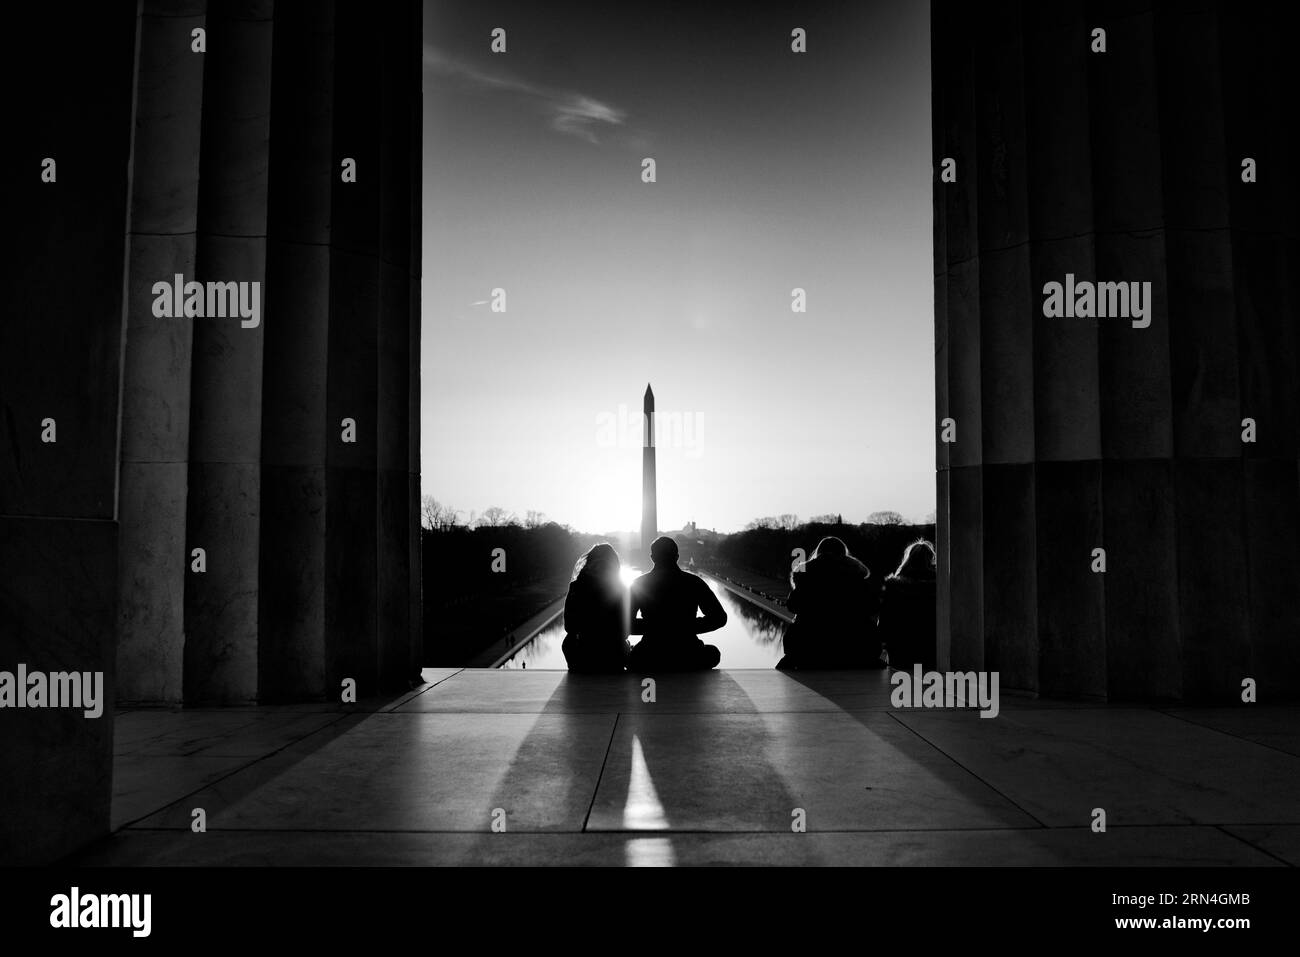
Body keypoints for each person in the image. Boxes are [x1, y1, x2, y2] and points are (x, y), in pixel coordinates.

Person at [776, 536, 883, 670]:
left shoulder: (806, 576)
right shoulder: (856, 577)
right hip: (856, 647)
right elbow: (873, 606)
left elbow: (792, 605)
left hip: (808, 646)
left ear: (819, 552)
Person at [627, 536, 724, 671]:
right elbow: (719, 618)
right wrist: (685, 626)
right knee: (713, 653)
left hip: (650, 652)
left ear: (652, 557)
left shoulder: (639, 584)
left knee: (631, 657)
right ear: (677, 556)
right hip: (688, 650)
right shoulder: (694, 582)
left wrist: (655, 627)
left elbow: (624, 623)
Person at [561, 543, 631, 673]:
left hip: (582, 654)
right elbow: (625, 631)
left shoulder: (576, 587)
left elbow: (569, 627)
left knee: (569, 641)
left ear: (589, 562)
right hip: (613, 654)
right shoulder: (622, 589)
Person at [877, 540, 936, 669]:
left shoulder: (893, 587)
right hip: (931, 646)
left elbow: (884, 621)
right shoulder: (938, 588)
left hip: (900, 646)